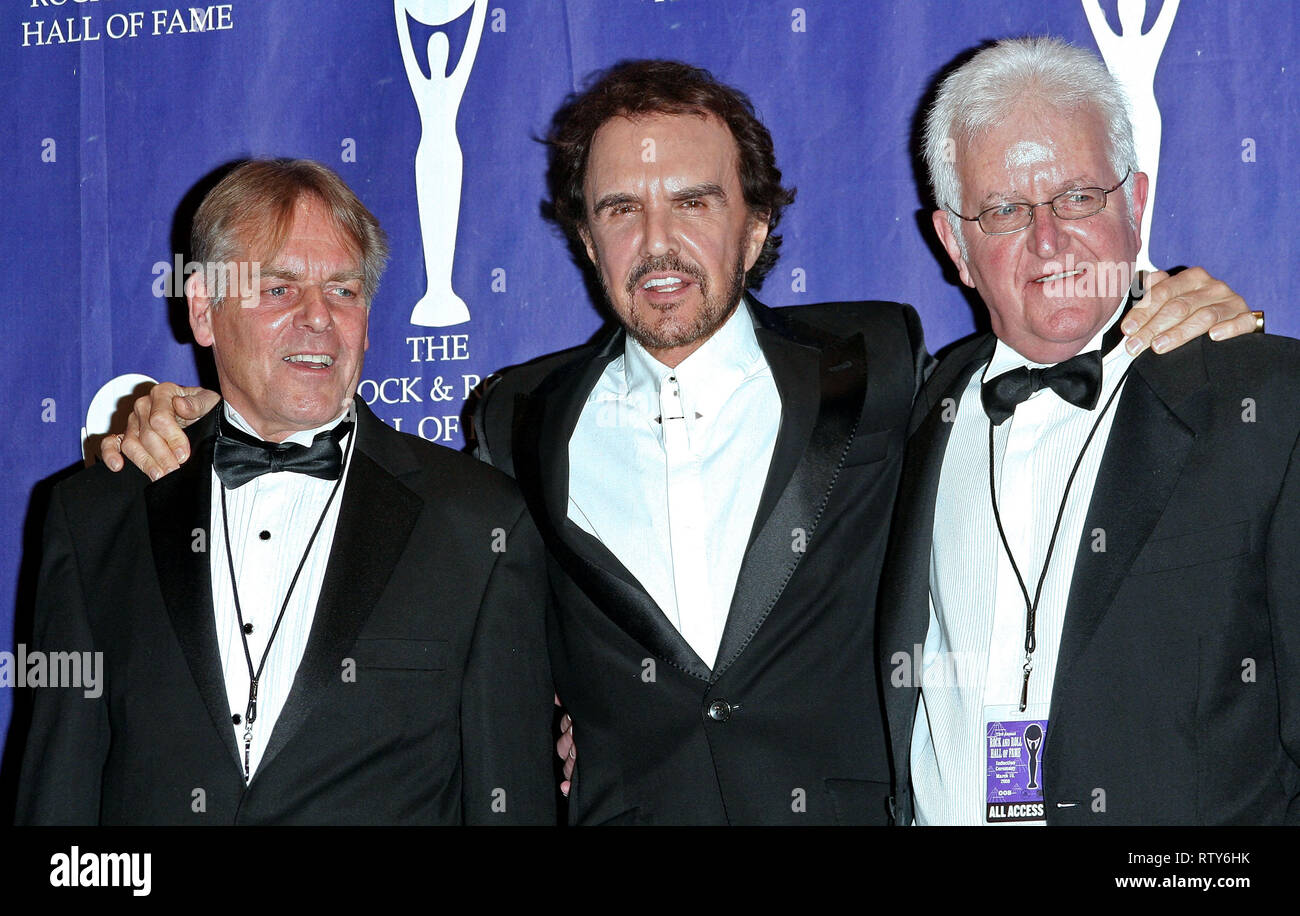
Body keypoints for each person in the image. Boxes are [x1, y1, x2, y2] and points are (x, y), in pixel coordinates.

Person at [105, 63, 1255, 825]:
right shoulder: (511, 420)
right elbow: (376, 509)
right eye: (619, 211)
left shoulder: (886, 365)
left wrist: (1174, 307)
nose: (657, 244)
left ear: (755, 227)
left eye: (694, 204)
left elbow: (1055, 343)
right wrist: (195, 419)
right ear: (583, 238)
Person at [17, 159, 555, 825]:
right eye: (279, 290)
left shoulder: (480, 527)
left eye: (344, 291)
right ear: (204, 311)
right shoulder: (95, 517)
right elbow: (58, 801)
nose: (319, 319)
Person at [878, 36, 1299, 826]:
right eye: (1003, 210)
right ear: (954, 245)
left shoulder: (1268, 403)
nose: (1048, 239)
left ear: (1134, 203)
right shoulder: (905, 416)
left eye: (1077, 197)